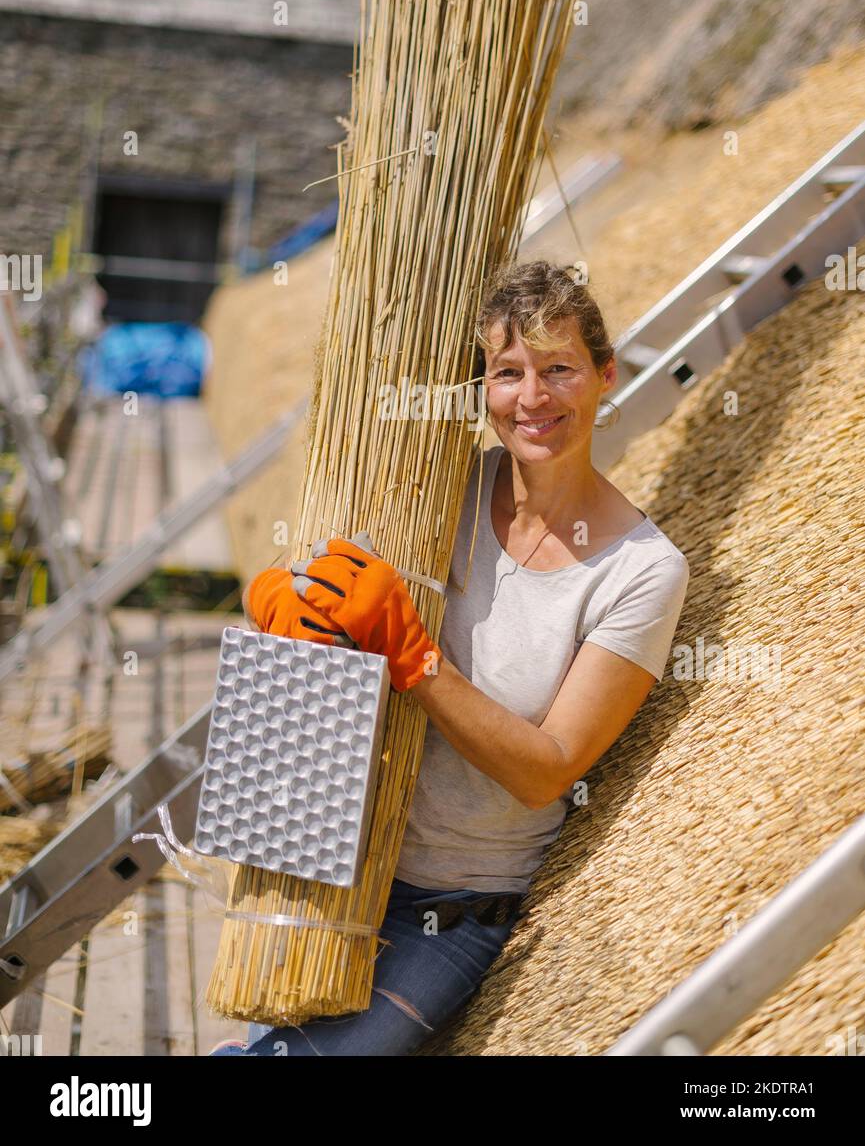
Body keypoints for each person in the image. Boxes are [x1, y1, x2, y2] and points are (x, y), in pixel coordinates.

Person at [209, 259, 689, 1056]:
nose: (532, 398)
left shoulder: (639, 571)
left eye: (559, 369)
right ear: (483, 389)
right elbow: (325, 605)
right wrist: (282, 607)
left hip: (455, 904)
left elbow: (547, 769)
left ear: (606, 376)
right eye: (508, 373)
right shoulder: (436, 496)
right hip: (330, 856)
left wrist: (413, 657)